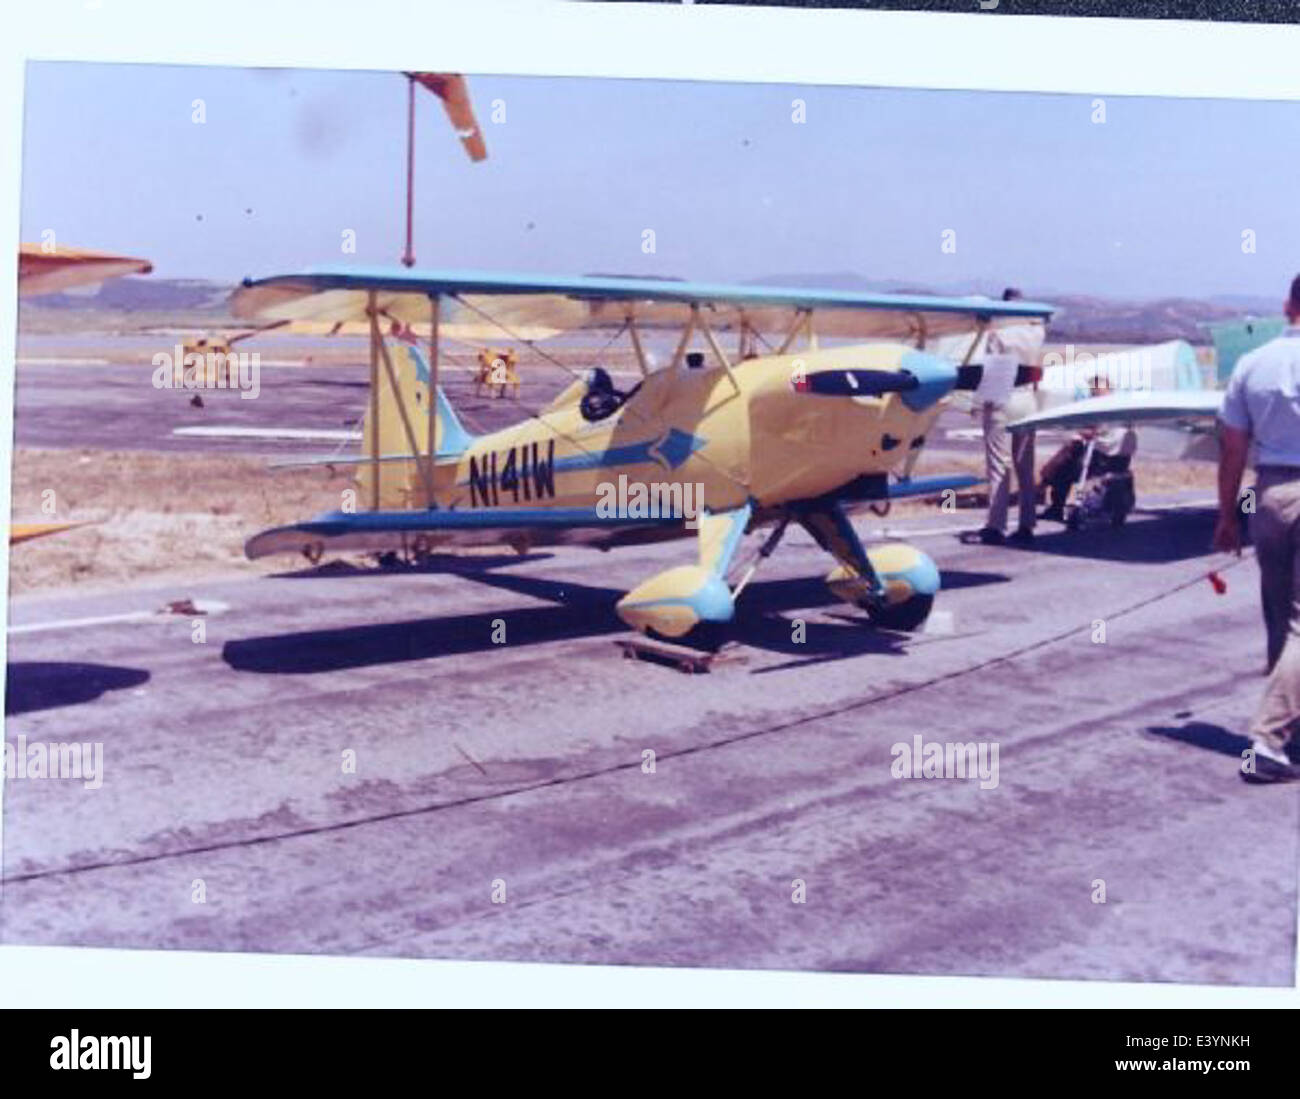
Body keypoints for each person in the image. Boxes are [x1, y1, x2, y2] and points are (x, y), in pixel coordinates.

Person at [1214, 273, 1300, 784]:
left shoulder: (1254, 362)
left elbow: (1232, 450)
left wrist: (1227, 515)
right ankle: (1267, 741)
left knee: (1280, 619)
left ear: (1288, 304)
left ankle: (1290, 732)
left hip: (1268, 497)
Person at [977, 288, 1045, 545]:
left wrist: (983, 403)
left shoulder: (997, 333)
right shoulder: (1036, 331)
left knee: (999, 464)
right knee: (1025, 465)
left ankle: (996, 524)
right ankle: (1027, 522)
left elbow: (994, 371)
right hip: (1027, 399)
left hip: (1003, 397)